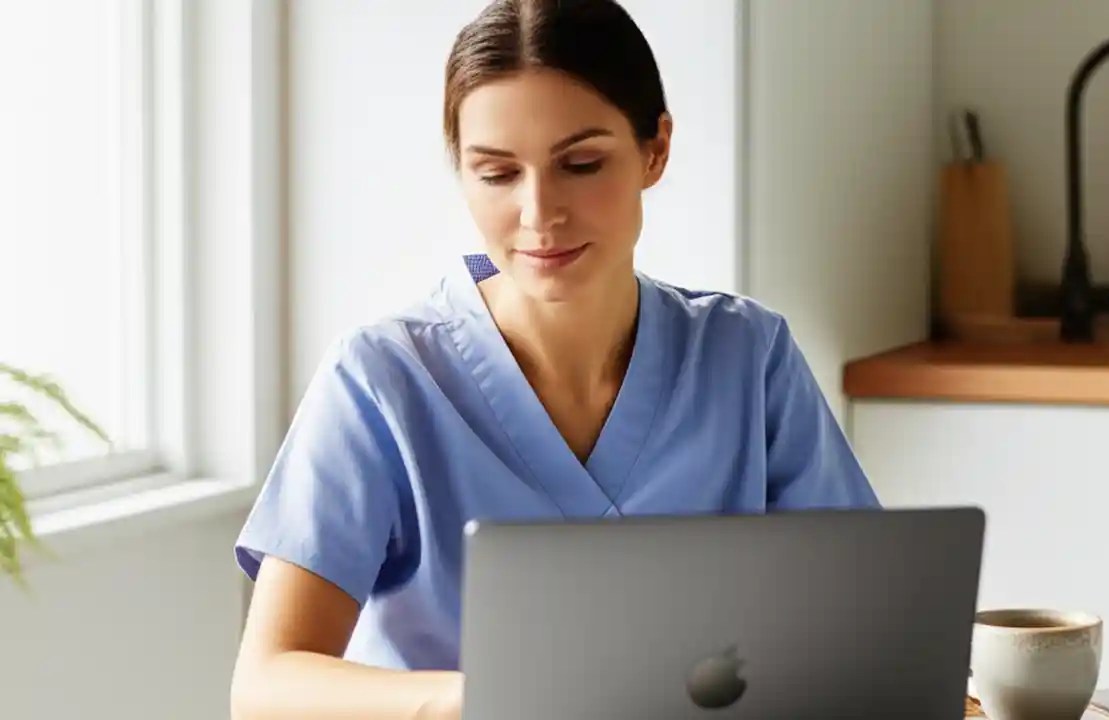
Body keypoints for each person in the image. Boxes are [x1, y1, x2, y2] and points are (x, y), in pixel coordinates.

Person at [228, 1, 880, 718]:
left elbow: (867, 634)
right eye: (498, 173)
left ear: (655, 150)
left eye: (581, 164)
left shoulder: (749, 359)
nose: (540, 212)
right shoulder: (382, 380)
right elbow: (268, 687)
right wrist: (489, 701)